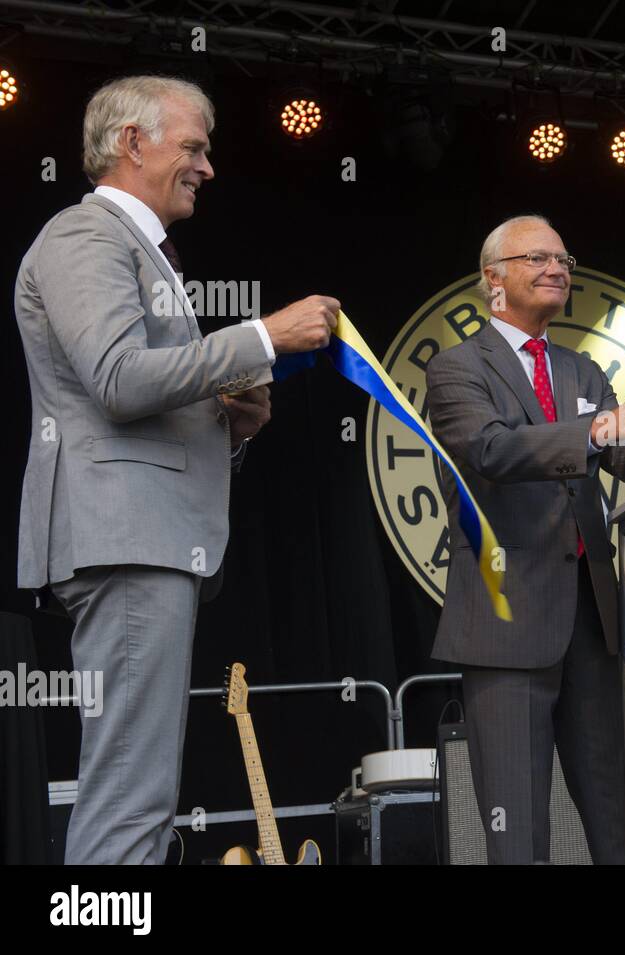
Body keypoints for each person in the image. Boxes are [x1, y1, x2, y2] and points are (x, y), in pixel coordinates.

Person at [14, 75, 337, 863]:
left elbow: (142, 401)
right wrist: (263, 335)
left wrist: (227, 424)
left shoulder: (141, 253)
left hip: (146, 542)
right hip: (127, 542)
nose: (208, 166)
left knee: (139, 790)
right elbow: (120, 378)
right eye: (193, 147)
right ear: (132, 144)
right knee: (131, 793)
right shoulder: (84, 237)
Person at [423, 214, 625, 863]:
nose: (558, 268)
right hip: (507, 616)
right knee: (515, 827)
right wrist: (602, 428)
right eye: (538, 258)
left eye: (564, 258)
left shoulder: (581, 370)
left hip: (593, 619)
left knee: (620, 816)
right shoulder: (457, 367)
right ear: (493, 279)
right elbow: (490, 450)